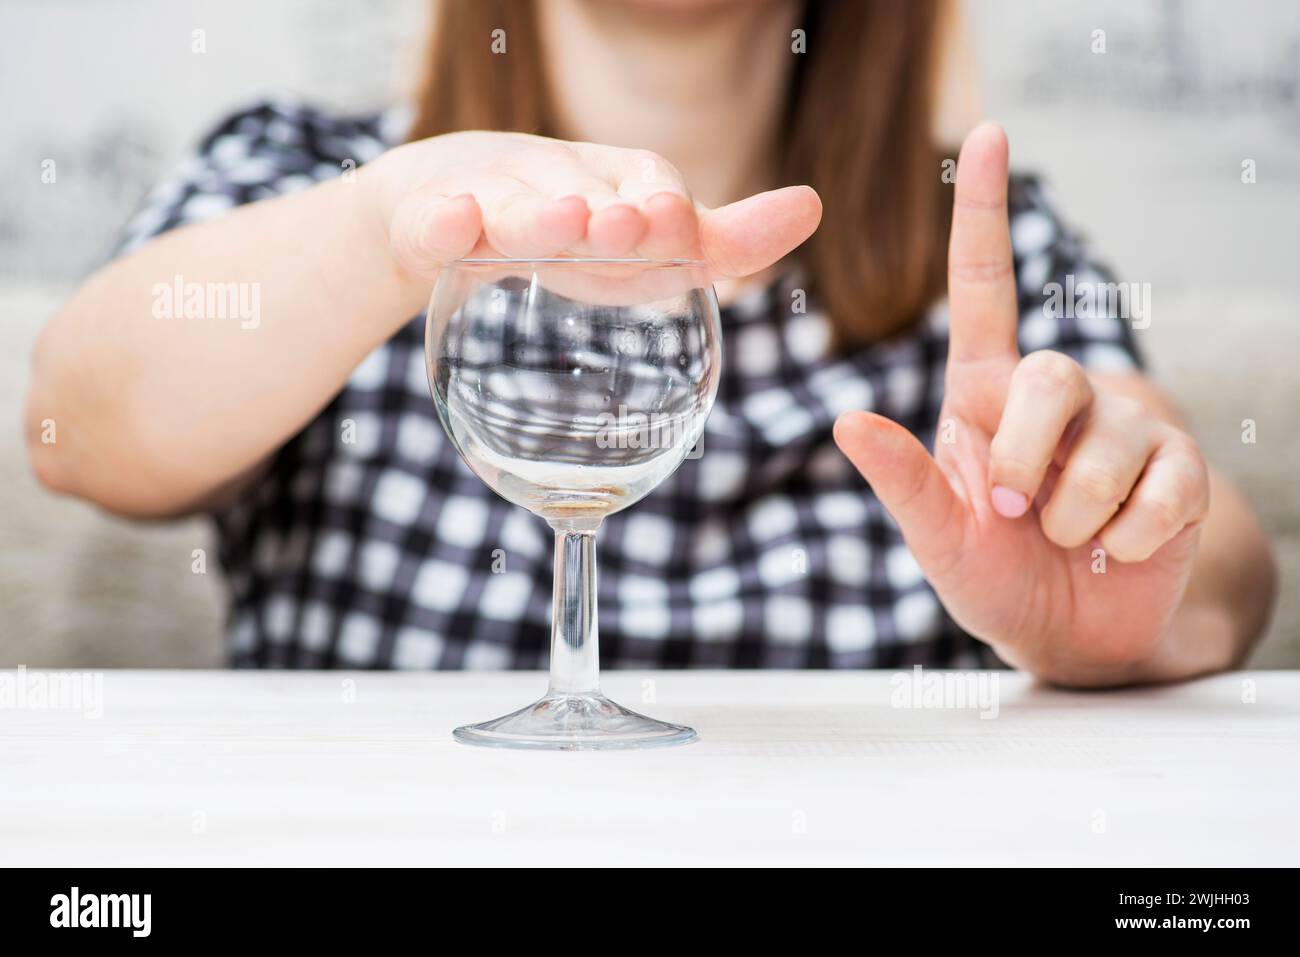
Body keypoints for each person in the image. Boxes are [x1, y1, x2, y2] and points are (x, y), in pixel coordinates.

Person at [25, 0, 1275, 685]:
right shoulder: (305, 177)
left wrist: (1118, 598)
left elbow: (1212, 557)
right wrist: (383, 231)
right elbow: (75, 431)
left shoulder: (985, 249)